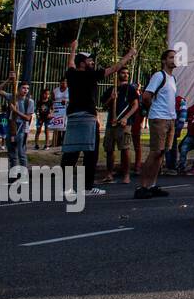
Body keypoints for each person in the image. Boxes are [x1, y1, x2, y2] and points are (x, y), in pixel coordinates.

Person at [63, 41, 136, 200]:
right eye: (90, 61)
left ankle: (65, 187)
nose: (92, 62)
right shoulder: (91, 75)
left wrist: (73, 49)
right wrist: (129, 55)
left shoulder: (71, 75)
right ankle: (87, 187)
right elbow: (115, 68)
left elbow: (70, 63)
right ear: (83, 63)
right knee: (91, 153)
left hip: (73, 118)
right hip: (88, 118)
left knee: (71, 152)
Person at [135, 48, 180, 199]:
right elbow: (147, 96)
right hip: (159, 118)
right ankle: (142, 186)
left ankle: (152, 184)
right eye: (171, 57)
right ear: (164, 60)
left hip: (170, 118)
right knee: (155, 151)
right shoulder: (158, 76)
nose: (174, 60)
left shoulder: (173, 79)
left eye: (175, 57)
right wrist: (152, 110)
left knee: (162, 152)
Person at [100, 68, 139, 185]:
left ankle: (126, 174)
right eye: (123, 73)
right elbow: (104, 106)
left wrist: (126, 117)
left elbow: (135, 105)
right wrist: (111, 98)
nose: (126, 75)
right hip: (111, 123)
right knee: (109, 149)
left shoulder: (130, 89)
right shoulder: (112, 89)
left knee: (125, 149)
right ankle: (109, 173)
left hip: (124, 124)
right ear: (117, 75)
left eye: (127, 73)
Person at [0, 75, 34, 173]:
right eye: (23, 88)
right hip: (10, 130)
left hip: (21, 130)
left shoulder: (29, 102)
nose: (26, 90)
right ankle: (13, 175)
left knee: (21, 154)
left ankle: (24, 174)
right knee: (12, 155)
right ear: (18, 88)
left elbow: (27, 118)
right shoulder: (12, 96)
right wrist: (9, 79)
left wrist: (15, 111)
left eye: (27, 89)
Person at [51, 77, 68, 149]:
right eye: (61, 82)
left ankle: (64, 141)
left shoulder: (69, 90)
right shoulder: (55, 90)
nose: (63, 83)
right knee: (57, 124)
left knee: (65, 125)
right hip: (57, 109)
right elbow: (52, 99)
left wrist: (66, 101)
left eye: (64, 82)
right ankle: (56, 142)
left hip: (66, 109)